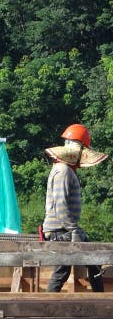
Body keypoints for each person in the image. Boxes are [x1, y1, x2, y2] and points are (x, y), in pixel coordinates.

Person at [42, 123, 108, 292]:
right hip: (60, 230)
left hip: (64, 229)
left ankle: (100, 300)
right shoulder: (63, 171)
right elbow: (60, 205)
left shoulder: (65, 170)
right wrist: (74, 230)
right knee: (63, 271)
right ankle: (46, 304)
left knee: (92, 263)